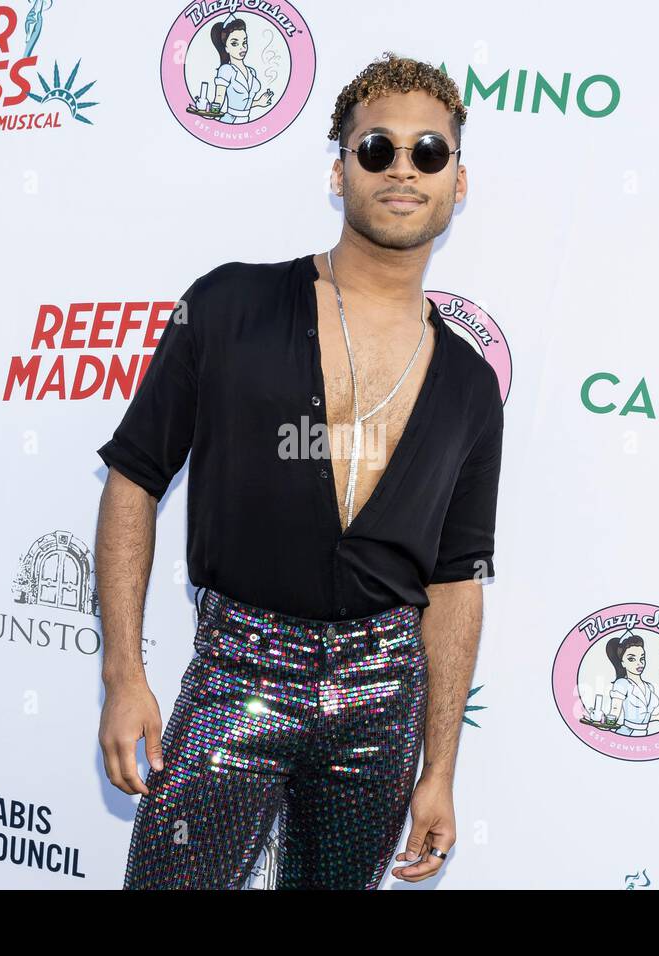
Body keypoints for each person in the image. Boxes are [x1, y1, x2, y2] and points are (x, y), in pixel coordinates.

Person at [95, 52, 504, 889]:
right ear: (339, 169)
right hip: (239, 667)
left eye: (430, 152)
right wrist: (124, 673)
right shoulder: (229, 306)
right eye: (376, 148)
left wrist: (440, 768)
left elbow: (458, 580)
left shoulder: (469, 385)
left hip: (383, 700)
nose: (403, 168)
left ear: (457, 182)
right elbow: (134, 477)